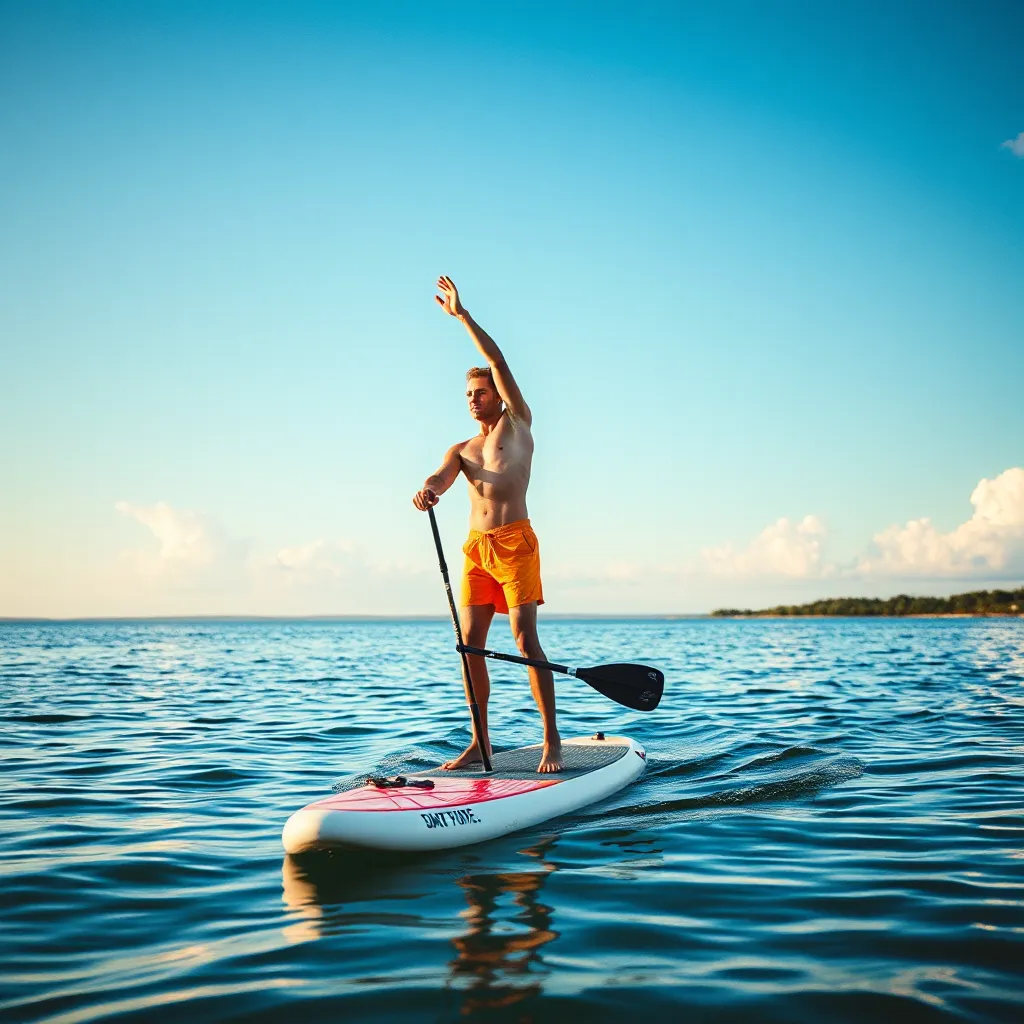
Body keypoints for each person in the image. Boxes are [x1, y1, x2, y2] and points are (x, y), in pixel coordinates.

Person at [413, 276, 563, 773]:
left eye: (480, 392)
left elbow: (497, 361)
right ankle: (481, 743)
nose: (473, 399)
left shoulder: (517, 425)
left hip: (516, 544)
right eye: (468, 394)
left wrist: (462, 317)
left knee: (523, 639)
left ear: (498, 396)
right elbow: (441, 475)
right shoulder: (463, 449)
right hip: (477, 549)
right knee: (470, 645)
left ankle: (551, 740)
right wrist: (429, 489)